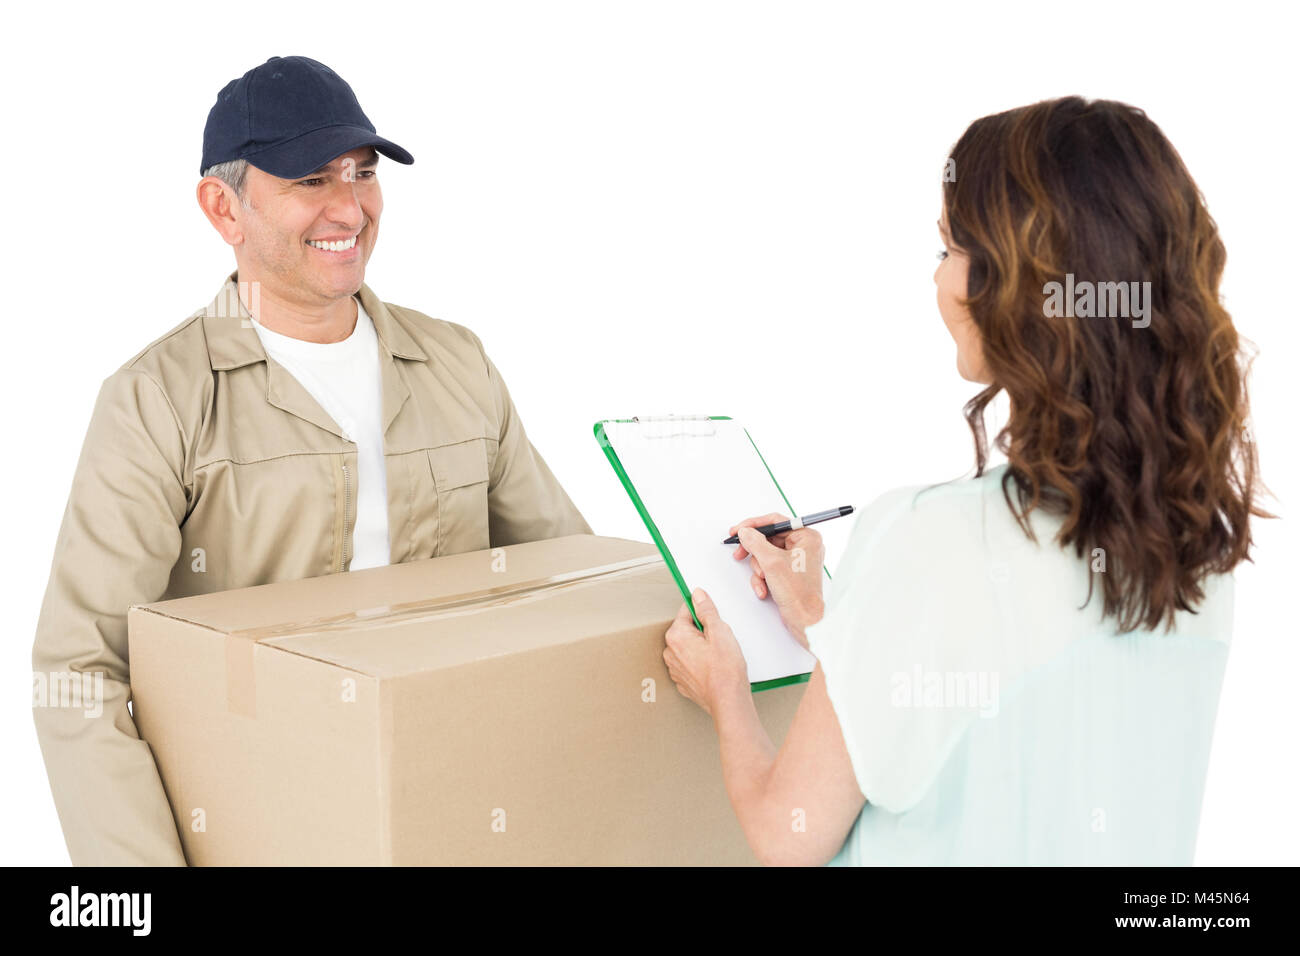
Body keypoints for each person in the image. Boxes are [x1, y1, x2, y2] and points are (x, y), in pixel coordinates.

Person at [664, 95, 1267, 866]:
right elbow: (1019, 715)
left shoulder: (928, 537)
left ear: (1015, 284)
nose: (941, 280)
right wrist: (830, 625)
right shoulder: (1193, 542)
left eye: (950, 250)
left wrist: (726, 693)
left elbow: (788, 835)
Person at [31, 55, 590, 866]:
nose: (350, 207)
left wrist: (715, 577)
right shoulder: (158, 400)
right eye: (310, 179)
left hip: (460, 816)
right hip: (262, 834)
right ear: (223, 207)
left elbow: (570, 579)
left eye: (362, 173)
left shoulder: (457, 365)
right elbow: (80, 671)